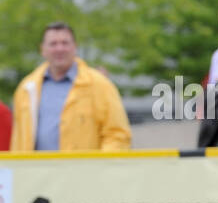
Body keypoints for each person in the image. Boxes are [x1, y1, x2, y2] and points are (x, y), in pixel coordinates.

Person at [10, 23, 131, 152]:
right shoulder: (26, 88)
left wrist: (100, 169)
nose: (59, 48)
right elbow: (18, 140)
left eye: (65, 43)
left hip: (84, 171)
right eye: (53, 44)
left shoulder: (100, 85)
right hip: (37, 171)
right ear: (42, 49)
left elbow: (117, 135)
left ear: (75, 47)